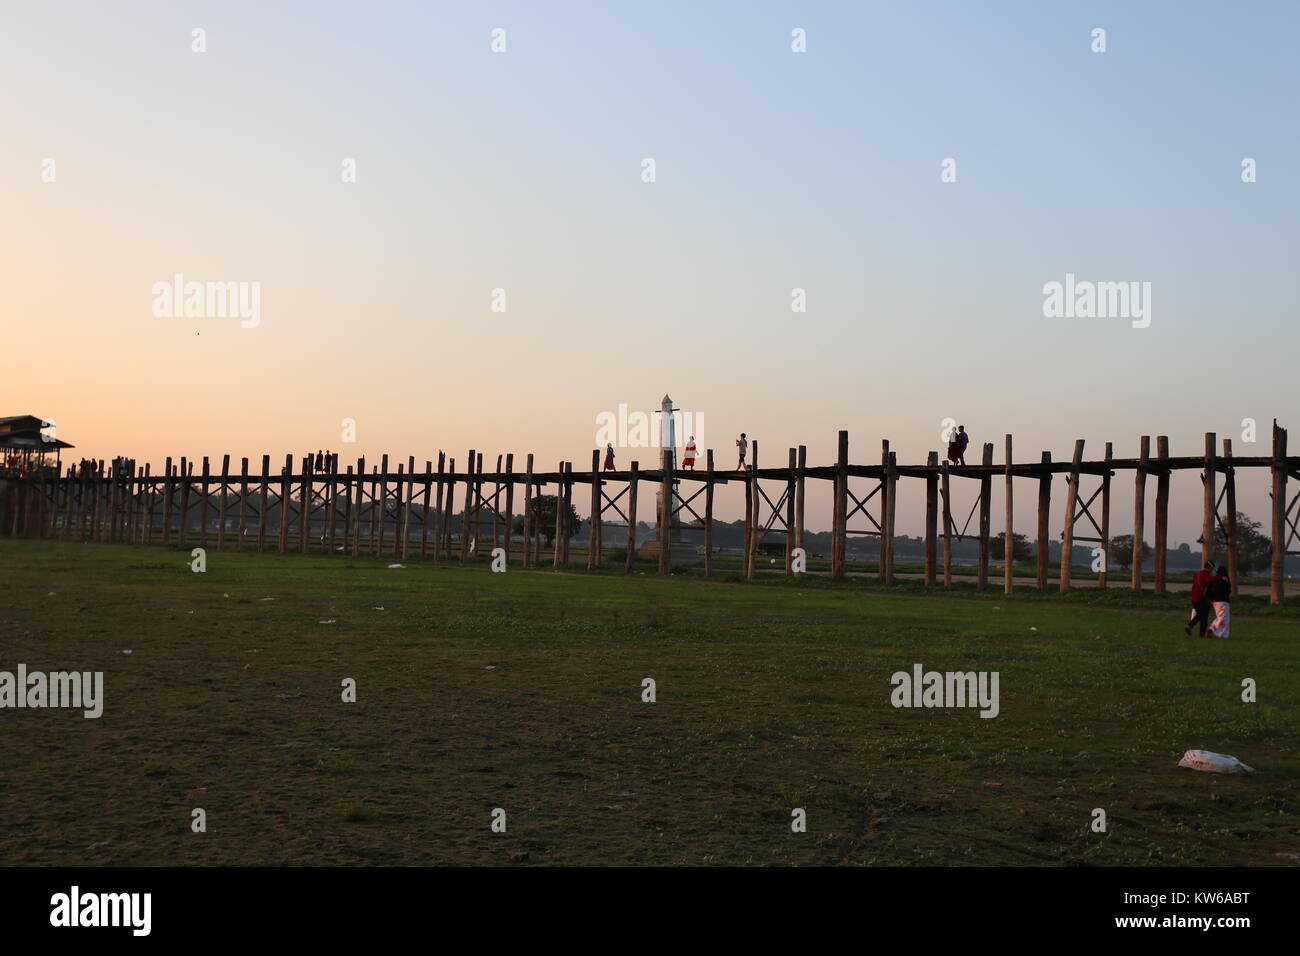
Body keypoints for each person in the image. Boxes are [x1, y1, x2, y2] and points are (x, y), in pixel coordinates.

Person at [1185, 560, 1216, 636]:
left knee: (1201, 615)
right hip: (1201, 598)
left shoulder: (1197, 574)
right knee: (1203, 616)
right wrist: (1219, 577)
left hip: (1194, 598)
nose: (1212, 571)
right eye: (1212, 569)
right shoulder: (1205, 574)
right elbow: (1209, 580)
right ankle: (1191, 627)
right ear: (1209, 567)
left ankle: (1192, 628)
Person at [1206, 565, 1232, 639]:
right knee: (1223, 618)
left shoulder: (1214, 579)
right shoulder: (1225, 580)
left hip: (1215, 602)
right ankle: (1213, 629)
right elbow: (1229, 591)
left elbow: (1208, 591)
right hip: (1223, 602)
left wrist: (1210, 600)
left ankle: (1222, 634)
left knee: (1221, 617)